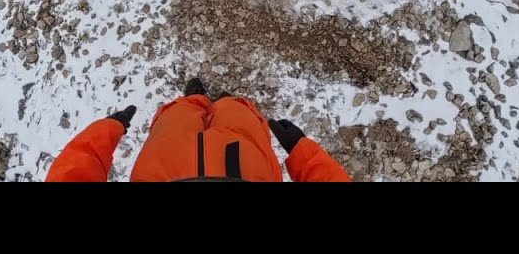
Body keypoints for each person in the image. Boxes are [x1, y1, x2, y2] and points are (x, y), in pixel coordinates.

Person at [46, 77, 351, 182]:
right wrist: (304, 152)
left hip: (164, 164)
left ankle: (196, 98)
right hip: (246, 166)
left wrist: (106, 130)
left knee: (180, 113)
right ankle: (223, 101)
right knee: (237, 112)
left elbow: (71, 176)